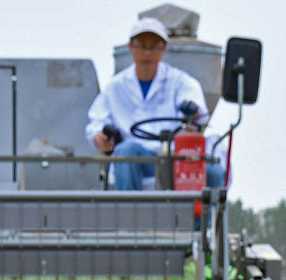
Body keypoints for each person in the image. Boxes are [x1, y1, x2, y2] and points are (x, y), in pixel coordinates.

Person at [85, 18, 225, 191]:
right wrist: (98, 137)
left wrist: (194, 112)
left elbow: (199, 115)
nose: (147, 53)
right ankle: (129, 215)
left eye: (153, 46)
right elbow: (96, 122)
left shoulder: (181, 82)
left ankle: (202, 218)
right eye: (142, 45)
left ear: (163, 48)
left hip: (176, 157)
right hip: (136, 160)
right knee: (126, 151)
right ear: (131, 47)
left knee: (214, 172)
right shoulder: (114, 87)